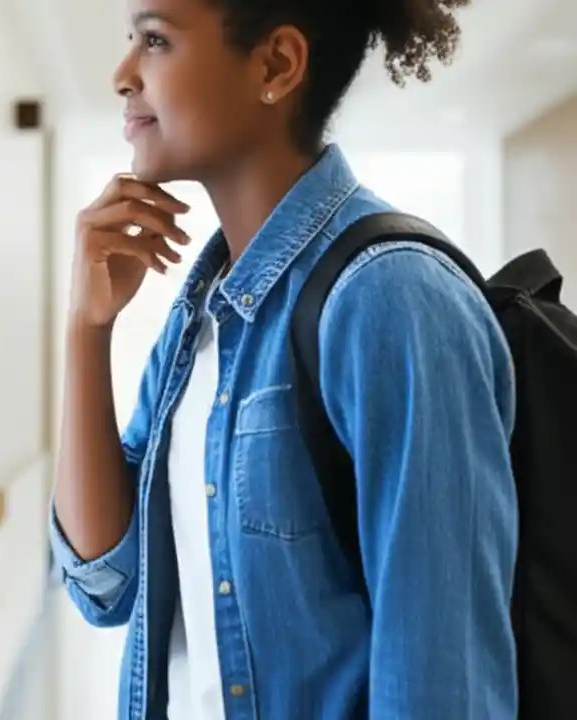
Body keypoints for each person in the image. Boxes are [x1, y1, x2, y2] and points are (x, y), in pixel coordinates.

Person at [50, 0, 518, 717]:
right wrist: (87, 329)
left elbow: (441, 678)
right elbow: (105, 586)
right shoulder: (198, 317)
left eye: (154, 40)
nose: (121, 74)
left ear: (275, 65)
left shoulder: (392, 298)